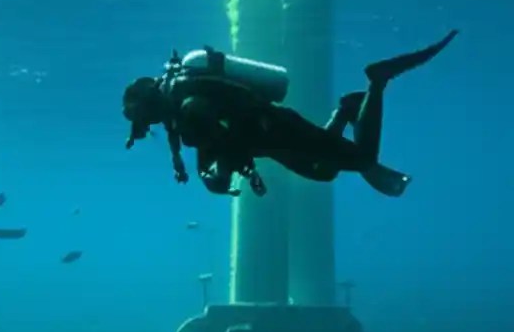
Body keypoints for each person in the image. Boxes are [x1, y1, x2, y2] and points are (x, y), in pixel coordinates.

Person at [121, 30, 457, 197]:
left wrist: (224, 174)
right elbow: (191, 138)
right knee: (324, 173)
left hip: (277, 130)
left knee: (362, 158)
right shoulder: (176, 108)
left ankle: (377, 81)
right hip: (272, 141)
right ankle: (346, 110)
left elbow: (226, 137)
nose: (147, 125)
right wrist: (194, 167)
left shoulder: (187, 106)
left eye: (142, 120)